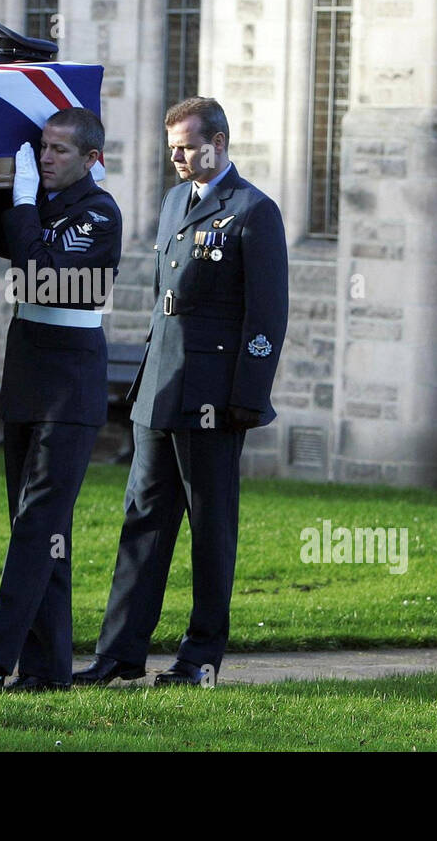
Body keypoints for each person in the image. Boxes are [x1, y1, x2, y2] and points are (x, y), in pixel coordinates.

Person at [75, 97, 287, 687]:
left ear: (218, 143)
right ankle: (119, 650)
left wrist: (249, 393)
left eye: (188, 145)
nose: (178, 155)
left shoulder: (252, 211)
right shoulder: (174, 202)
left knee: (210, 526)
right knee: (142, 516)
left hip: (214, 395)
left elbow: (267, 315)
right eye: (172, 145)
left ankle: (199, 657)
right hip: (161, 388)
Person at [0, 107, 121, 693]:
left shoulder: (99, 214)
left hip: (69, 389)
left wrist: (21, 205)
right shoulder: (42, 203)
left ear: (92, 159)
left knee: (35, 525)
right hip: (26, 380)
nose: (45, 158)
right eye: (42, 147)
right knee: (43, 531)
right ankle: (47, 668)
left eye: (60, 151)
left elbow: (41, 271)